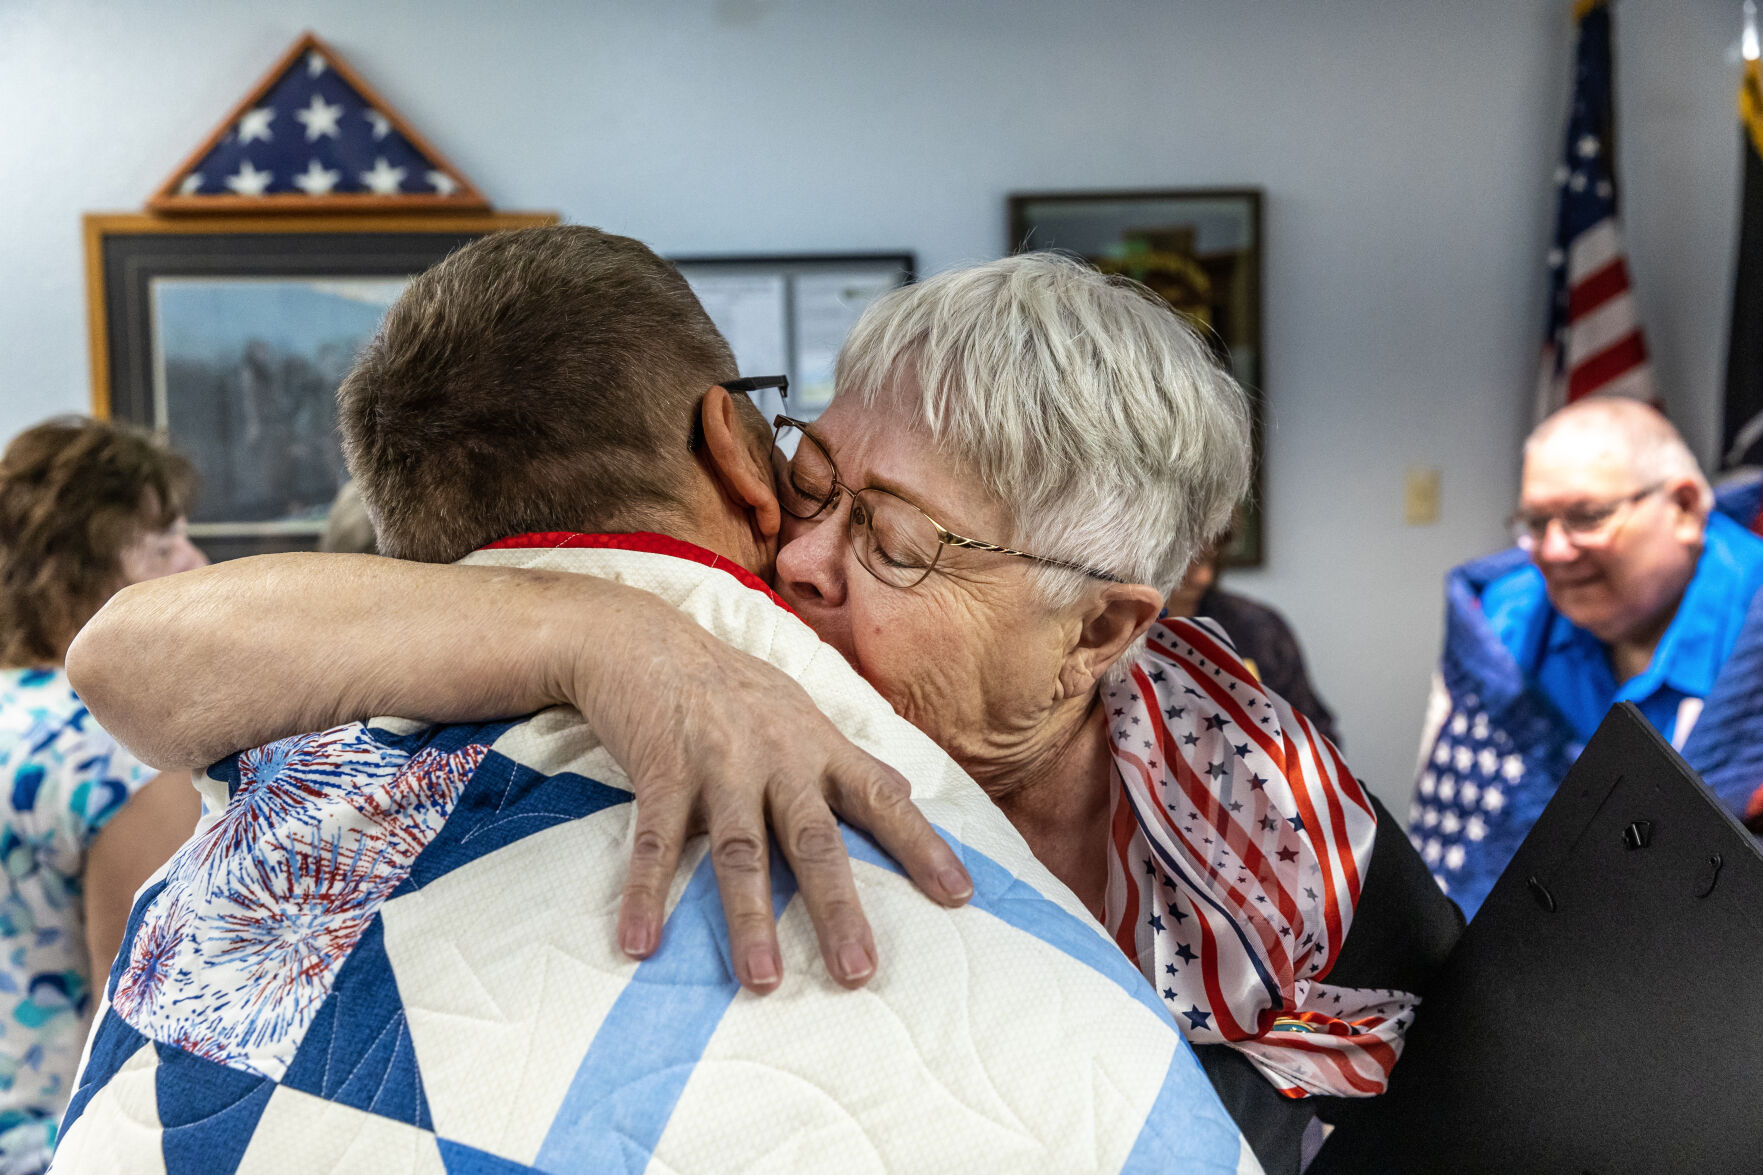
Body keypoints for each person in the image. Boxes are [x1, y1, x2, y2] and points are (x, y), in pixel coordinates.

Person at [68, 245, 1462, 1175]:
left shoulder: (1268, 804)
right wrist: (601, 630)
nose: (794, 552)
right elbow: (136, 648)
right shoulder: (709, 660)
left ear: (1095, 627)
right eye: (811, 477)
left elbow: (1449, 1066)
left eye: (895, 539)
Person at [1414, 397, 1763, 914]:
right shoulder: (1503, 623)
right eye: (1535, 524)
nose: (1553, 551)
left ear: (1685, 508)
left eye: (1587, 517)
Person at [0, 418, 204, 1173]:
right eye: (162, 545)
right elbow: (141, 1025)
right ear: (78, 571)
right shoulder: (121, 754)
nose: (194, 561)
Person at [1164, 537, 1341, 745]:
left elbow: (1315, 732)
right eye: (1189, 562)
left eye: (1210, 559)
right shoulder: (1122, 630)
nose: (1204, 577)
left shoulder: (1258, 628)